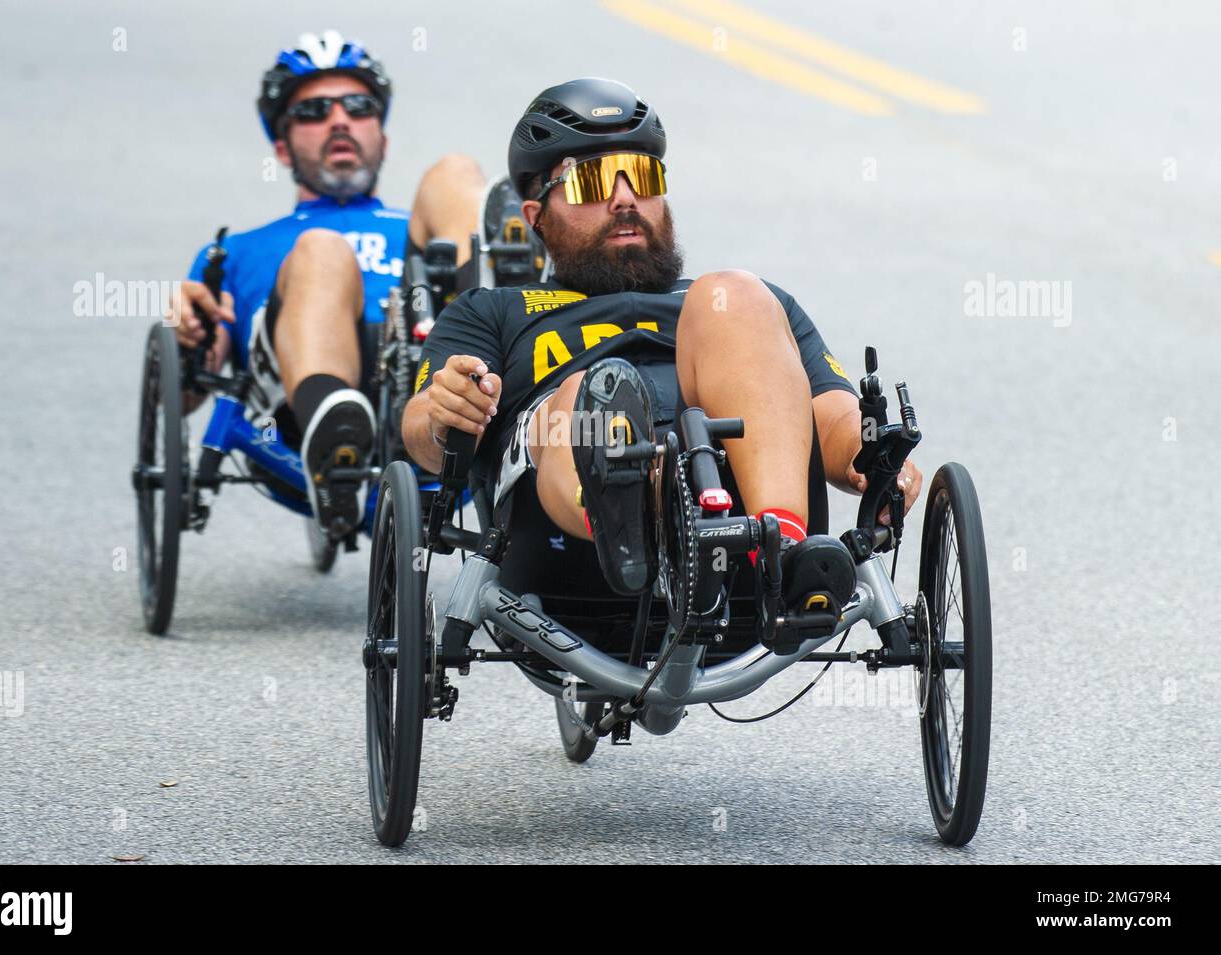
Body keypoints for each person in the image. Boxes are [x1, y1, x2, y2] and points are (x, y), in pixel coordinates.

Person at [402, 77, 924, 652]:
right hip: (564, 550)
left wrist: (873, 458)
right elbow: (422, 434)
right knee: (591, 394)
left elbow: (829, 414)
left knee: (737, 291)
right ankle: (634, 519)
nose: (625, 198)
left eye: (644, 177)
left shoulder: (735, 307)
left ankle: (782, 554)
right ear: (536, 215)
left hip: (740, 527)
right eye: (592, 181)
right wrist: (447, 408)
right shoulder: (494, 311)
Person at [166, 30, 530, 536]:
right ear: (282, 145)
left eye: (358, 107)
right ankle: (334, 427)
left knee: (453, 172)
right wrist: (188, 336)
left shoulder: (418, 222)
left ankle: (516, 301)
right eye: (314, 112)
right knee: (322, 249)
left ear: (382, 135)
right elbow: (185, 394)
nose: (339, 120)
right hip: (295, 401)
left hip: (439, 378)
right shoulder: (234, 252)